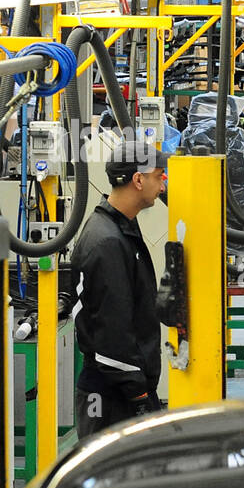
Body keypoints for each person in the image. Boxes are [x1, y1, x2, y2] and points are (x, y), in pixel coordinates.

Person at [71, 138, 169, 437]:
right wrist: (139, 397)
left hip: (121, 390)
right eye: (158, 177)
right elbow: (112, 333)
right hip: (114, 398)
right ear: (138, 180)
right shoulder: (108, 241)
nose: (163, 186)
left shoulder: (120, 227)